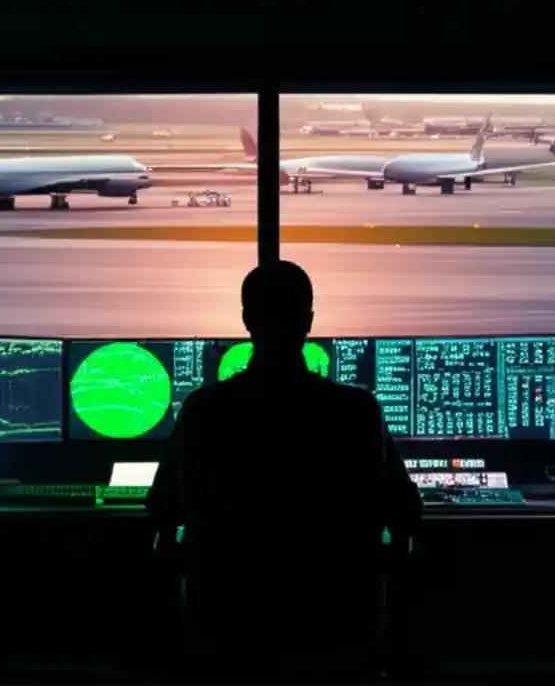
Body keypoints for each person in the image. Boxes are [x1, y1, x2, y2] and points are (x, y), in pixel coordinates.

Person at [147, 260, 423, 678]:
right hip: (335, 627)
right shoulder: (355, 411)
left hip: (228, 627)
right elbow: (407, 514)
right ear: (309, 320)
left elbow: (161, 512)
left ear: (246, 320)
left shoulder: (205, 410)